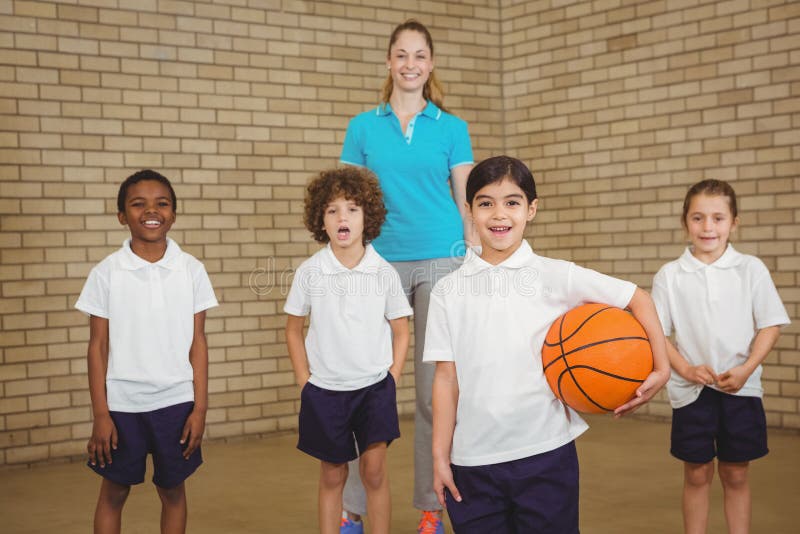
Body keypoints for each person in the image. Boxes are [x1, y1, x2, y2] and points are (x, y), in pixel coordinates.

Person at [424, 155, 670, 533]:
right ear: (469, 210)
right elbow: (445, 379)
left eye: (512, 202)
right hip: (472, 461)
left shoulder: (556, 275)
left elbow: (638, 298)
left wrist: (662, 366)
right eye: (486, 203)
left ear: (532, 209)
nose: (499, 214)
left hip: (546, 454)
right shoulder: (447, 291)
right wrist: (440, 457)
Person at [339, 18, 474, 534]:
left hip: (442, 260)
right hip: (377, 264)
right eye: (401, 54)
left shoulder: (451, 127)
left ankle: (431, 506)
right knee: (363, 386)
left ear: (430, 64)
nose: (410, 64)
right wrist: (348, 260)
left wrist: (474, 259)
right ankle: (352, 509)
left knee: (431, 391)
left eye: (419, 55)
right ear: (389, 61)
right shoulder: (362, 126)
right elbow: (347, 200)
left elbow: (466, 200)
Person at [76, 170, 218, 534]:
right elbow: (97, 346)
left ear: (174, 214)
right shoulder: (107, 273)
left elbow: (198, 343)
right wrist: (101, 413)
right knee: (114, 492)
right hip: (122, 406)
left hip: (176, 402)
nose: (151, 211)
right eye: (138, 204)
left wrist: (199, 408)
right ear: (121, 216)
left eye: (162, 203)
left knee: (172, 491)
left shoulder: (191, 270)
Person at [651, 179, 789, 534]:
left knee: (735, 473)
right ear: (685, 222)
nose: (708, 227)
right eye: (698, 218)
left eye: (718, 218)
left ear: (734, 222)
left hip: (740, 389)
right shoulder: (670, 275)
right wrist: (685, 369)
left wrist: (746, 369)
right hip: (692, 392)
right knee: (697, 474)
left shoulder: (751, 269)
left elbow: (771, 324)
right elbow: (658, 333)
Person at [284, 167, 412, 534]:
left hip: (374, 390)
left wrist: (391, 378)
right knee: (332, 474)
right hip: (325, 391)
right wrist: (305, 381)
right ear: (320, 220)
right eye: (333, 210)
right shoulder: (310, 271)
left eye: (353, 209)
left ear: (367, 217)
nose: (343, 217)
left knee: (374, 472)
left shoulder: (383, 272)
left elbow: (401, 330)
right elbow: (293, 329)